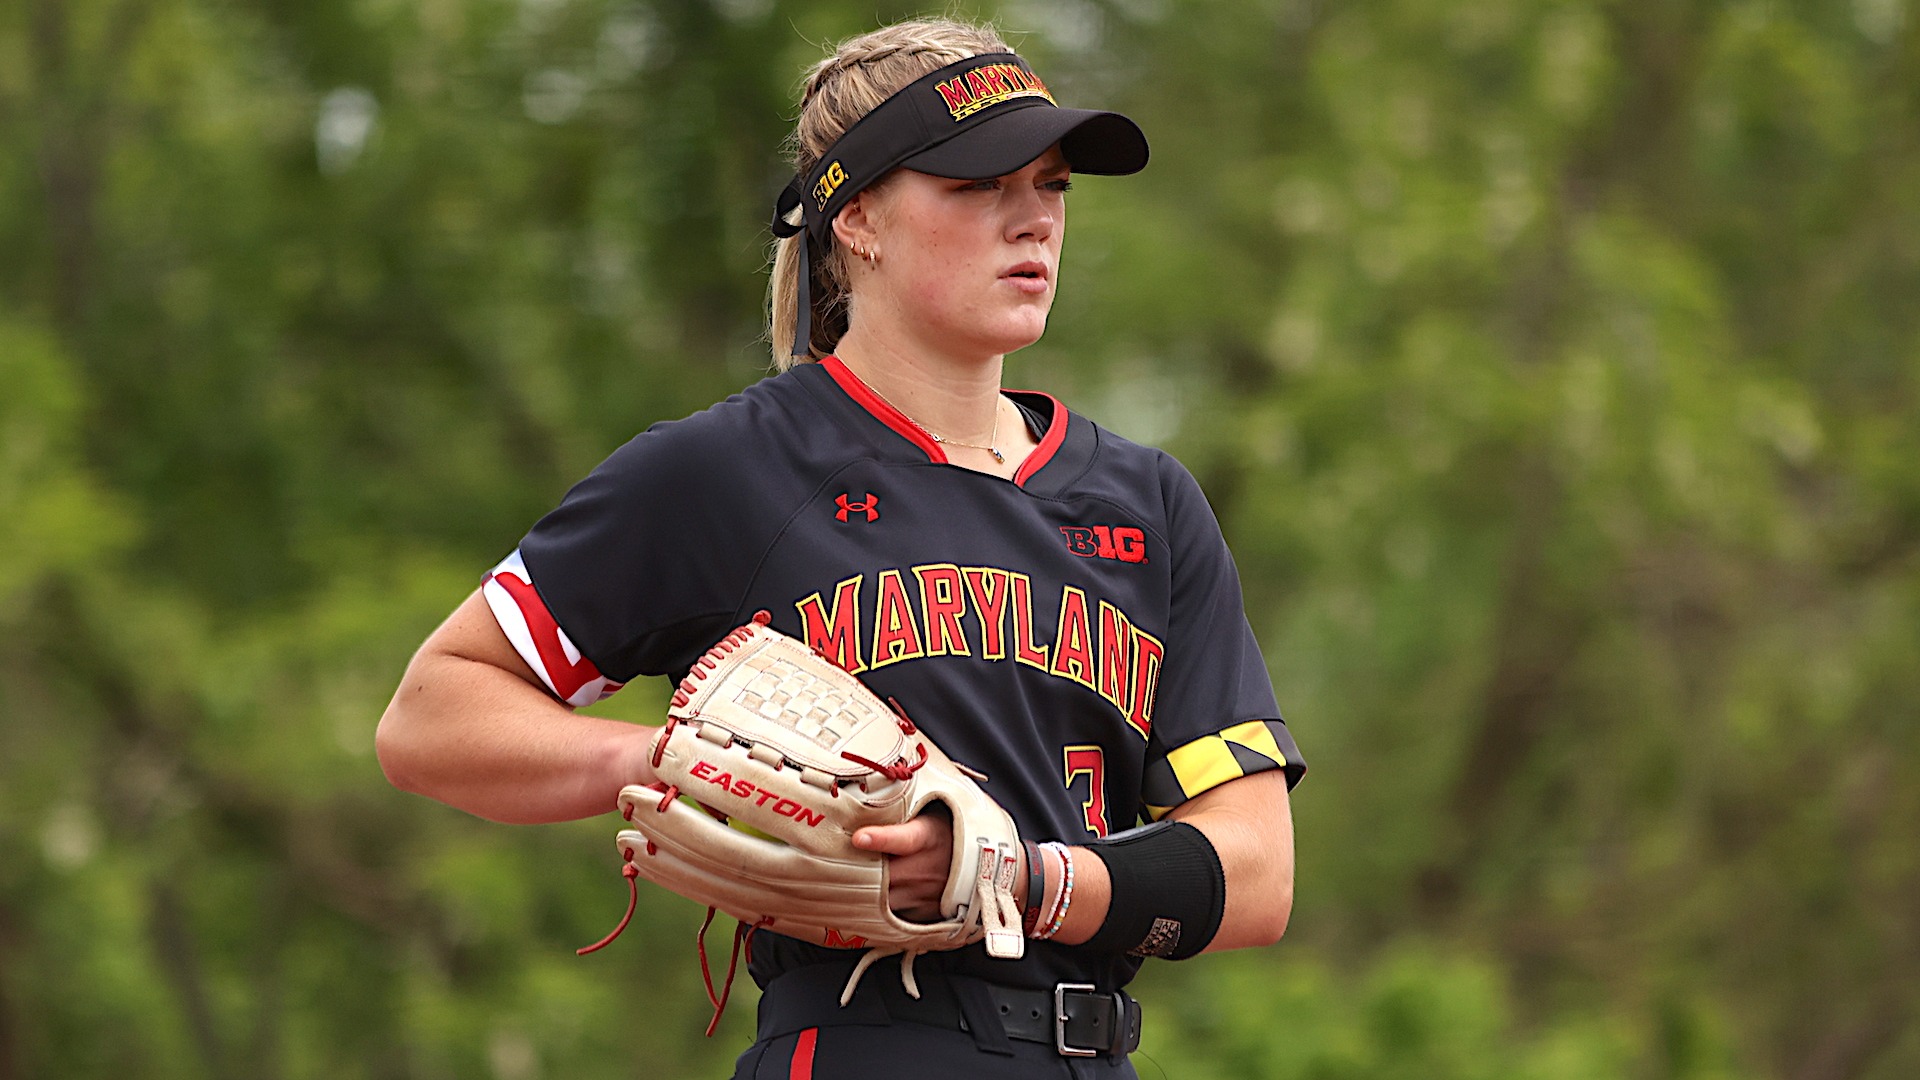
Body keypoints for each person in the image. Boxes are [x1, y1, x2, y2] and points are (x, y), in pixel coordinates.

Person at [376, 18, 1304, 1079]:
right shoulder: (733, 471)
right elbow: (432, 714)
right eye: (978, 184)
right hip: (866, 1042)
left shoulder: (1149, 505)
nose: (1031, 218)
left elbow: (1257, 874)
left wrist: (1018, 875)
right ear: (856, 216)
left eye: (1051, 184)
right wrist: (679, 764)